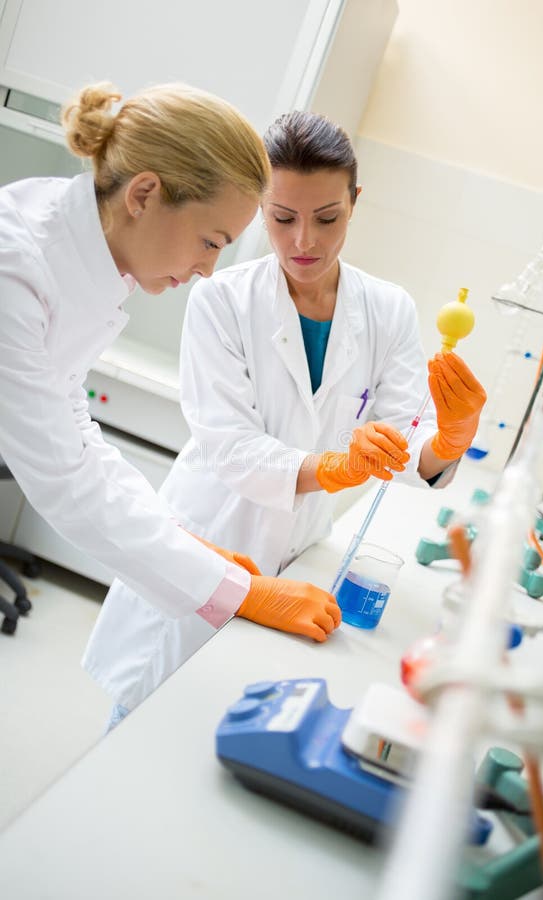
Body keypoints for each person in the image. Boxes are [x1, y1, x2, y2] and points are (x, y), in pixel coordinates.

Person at [83, 110, 486, 719]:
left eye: (328, 218)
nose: (305, 242)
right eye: (282, 218)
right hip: (210, 540)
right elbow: (231, 447)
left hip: (299, 554)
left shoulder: (388, 310)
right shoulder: (221, 299)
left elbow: (404, 440)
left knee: (245, 718)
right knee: (150, 716)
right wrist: (332, 466)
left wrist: (448, 441)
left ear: (355, 202)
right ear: (258, 208)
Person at [0, 85, 341, 715]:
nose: (210, 270)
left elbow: (73, 423)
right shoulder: (12, 267)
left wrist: (184, 540)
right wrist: (239, 591)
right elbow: (65, 480)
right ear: (145, 194)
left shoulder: (81, 257)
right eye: (210, 241)